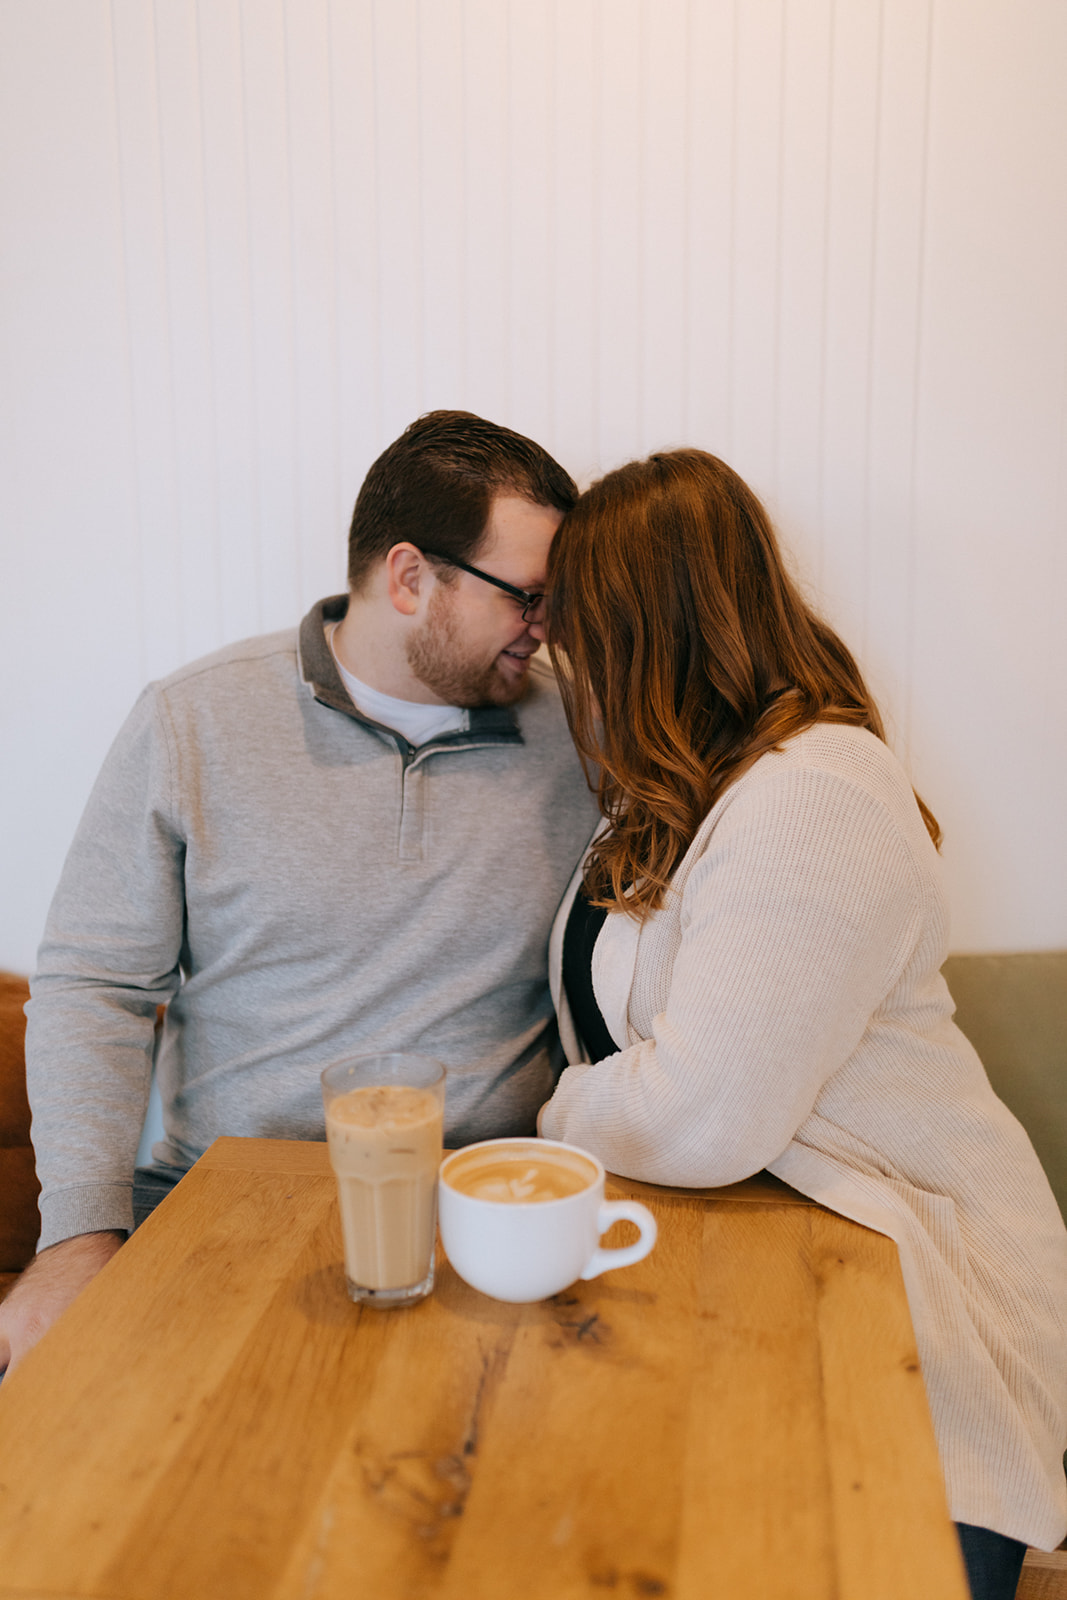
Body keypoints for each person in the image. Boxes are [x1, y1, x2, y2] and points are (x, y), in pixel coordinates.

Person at [538, 448, 1067, 1600]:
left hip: (918, 1301)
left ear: (641, 627)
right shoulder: (672, 787)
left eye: (568, 621)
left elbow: (701, 1112)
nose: (553, 655)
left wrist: (555, 1117)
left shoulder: (813, 794)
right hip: (748, 1268)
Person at [0, 410, 599, 1375]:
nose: (550, 629)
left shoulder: (584, 728)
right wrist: (76, 1233)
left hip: (488, 1207)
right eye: (528, 597)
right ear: (409, 578)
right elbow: (96, 986)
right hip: (218, 1198)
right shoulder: (193, 720)